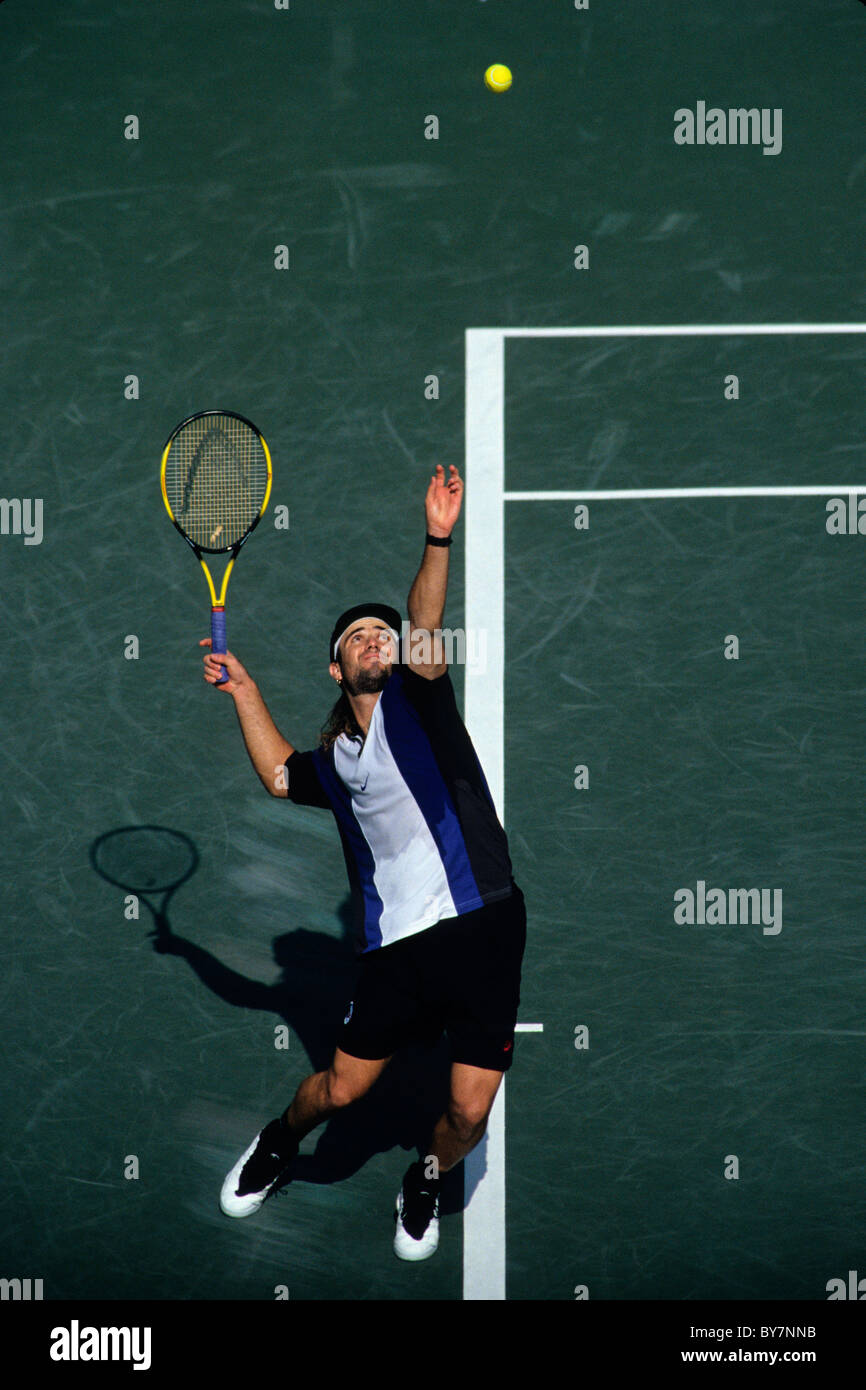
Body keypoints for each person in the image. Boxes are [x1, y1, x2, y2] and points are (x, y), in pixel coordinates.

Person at [206, 463, 526, 1261]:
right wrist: (245, 689)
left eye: (383, 633)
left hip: (484, 925)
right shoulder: (338, 760)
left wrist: (437, 537)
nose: (377, 638)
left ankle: (426, 1174)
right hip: (396, 953)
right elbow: (280, 775)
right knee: (341, 1090)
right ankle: (280, 1141)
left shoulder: (421, 704)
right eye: (359, 637)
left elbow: (424, 615)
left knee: (468, 1116)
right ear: (337, 668)